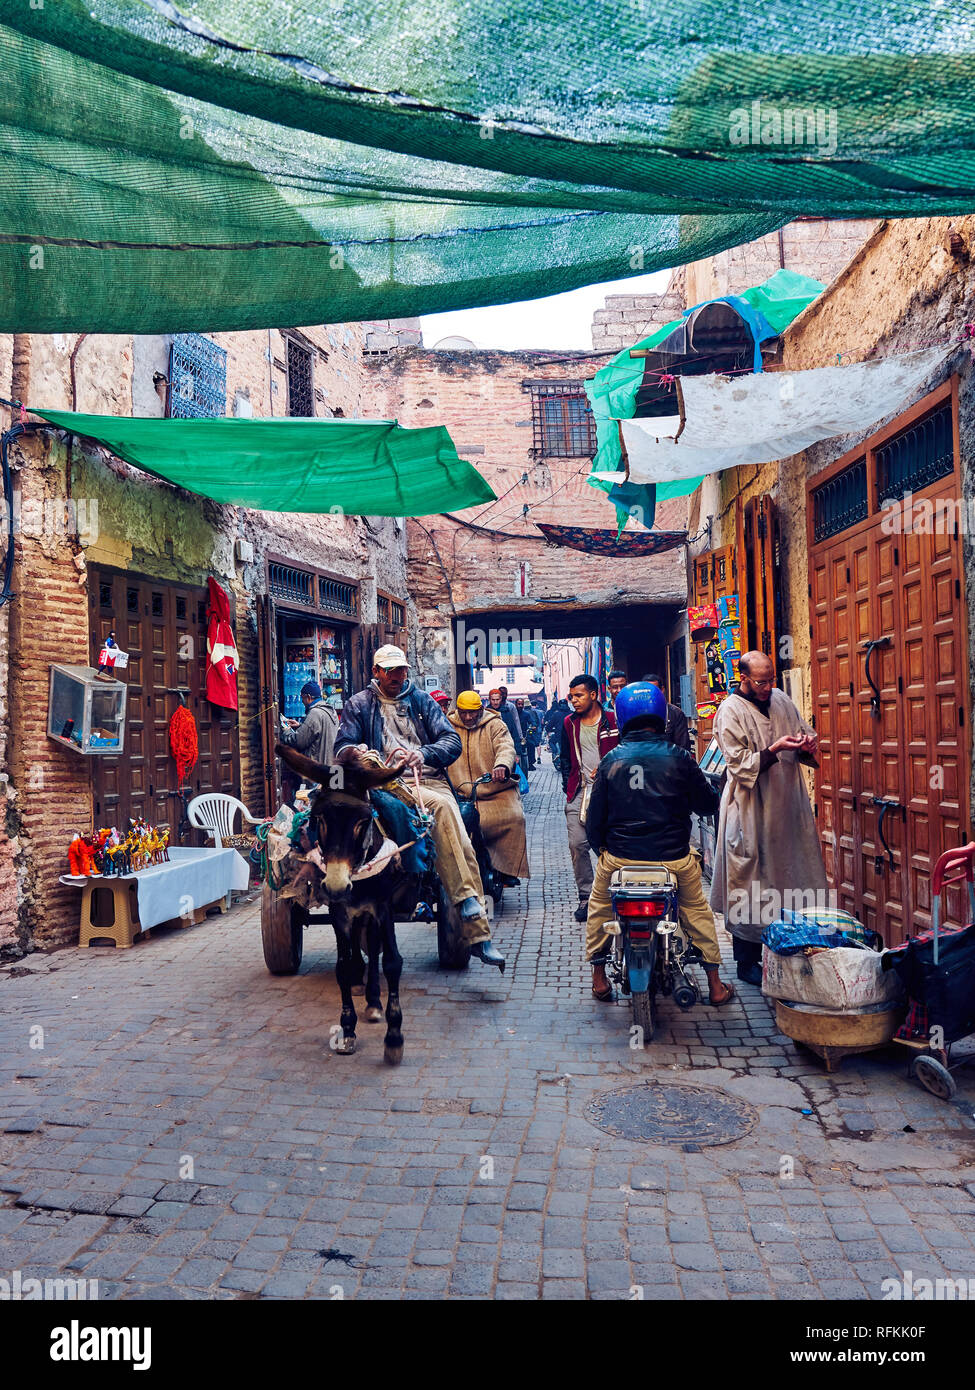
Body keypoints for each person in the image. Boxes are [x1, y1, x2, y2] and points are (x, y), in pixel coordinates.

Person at [334, 646, 505, 969]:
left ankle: (470, 906)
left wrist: (423, 754)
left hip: (423, 783)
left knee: (442, 808)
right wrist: (354, 752)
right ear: (376, 672)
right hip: (377, 783)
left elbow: (450, 741)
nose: (398, 676)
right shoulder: (358, 704)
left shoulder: (423, 702)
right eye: (390, 670)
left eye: (401, 670)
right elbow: (341, 745)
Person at [584, 682, 735, 1005]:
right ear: (662, 716)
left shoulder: (611, 760)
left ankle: (598, 979)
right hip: (674, 859)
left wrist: (604, 852)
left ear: (623, 718)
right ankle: (716, 985)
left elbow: (594, 820)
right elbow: (708, 805)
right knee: (696, 911)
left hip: (620, 859)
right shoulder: (680, 758)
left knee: (599, 908)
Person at [709, 650, 828, 986]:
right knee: (750, 881)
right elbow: (738, 764)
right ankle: (746, 960)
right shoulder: (730, 711)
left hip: (787, 802)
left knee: (793, 871)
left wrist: (805, 744)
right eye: (761, 681)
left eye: (771, 679)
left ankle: (793, 947)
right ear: (742, 677)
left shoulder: (780, 699)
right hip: (750, 806)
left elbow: (802, 733)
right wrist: (774, 750)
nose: (767, 687)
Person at [447, 691, 529, 886]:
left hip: (494, 790)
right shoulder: (447, 725)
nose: (468, 717)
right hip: (457, 793)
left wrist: (501, 765)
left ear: (481, 709)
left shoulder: (495, 724)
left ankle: (506, 868)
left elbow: (505, 747)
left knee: (514, 817)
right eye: (464, 712)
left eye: (472, 713)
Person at [561, 674, 619, 922]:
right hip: (579, 791)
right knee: (577, 844)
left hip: (610, 792)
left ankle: (615, 894)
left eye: (579, 695)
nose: (574, 701)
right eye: (571, 696)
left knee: (610, 844)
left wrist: (608, 767)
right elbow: (565, 757)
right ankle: (586, 897)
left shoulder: (613, 720)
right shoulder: (569, 723)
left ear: (593, 695)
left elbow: (625, 751)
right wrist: (568, 784)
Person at [280, 680, 339, 764]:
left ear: (308, 697)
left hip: (317, 768)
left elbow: (298, 742)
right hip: (329, 765)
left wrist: (286, 730)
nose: (302, 701)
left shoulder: (315, 713)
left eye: (302, 698)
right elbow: (319, 731)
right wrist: (301, 726)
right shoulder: (329, 710)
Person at [642, 672, 692, 752]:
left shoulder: (675, 713)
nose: (650, 694)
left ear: (662, 690)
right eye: (647, 691)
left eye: (654, 690)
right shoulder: (638, 713)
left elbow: (683, 747)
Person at [487, 688, 525, 770]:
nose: (495, 702)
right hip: (490, 750)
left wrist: (517, 752)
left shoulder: (507, 713)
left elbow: (514, 732)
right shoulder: (485, 714)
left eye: (497, 699)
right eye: (493, 700)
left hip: (506, 748)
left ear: (500, 699)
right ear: (490, 700)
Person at [515, 697, 542, 771]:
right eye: (519, 704)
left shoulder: (526, 714)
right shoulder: (513, 714)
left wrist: (533, 726)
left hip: (524, 734)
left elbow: (532, 721)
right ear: (516, 704)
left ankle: (530, 762)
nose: (520, 706)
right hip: (515, 734)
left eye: (521, 704)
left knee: (531, 744)